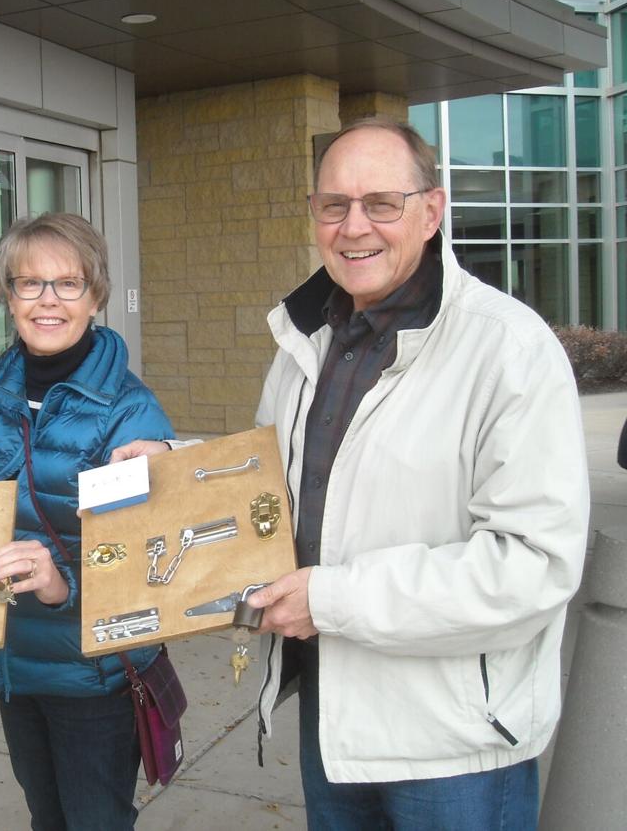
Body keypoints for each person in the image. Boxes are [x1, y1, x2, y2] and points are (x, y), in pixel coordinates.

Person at [116, 117, 589, 828]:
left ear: (432, 211)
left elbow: (532, 568)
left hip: (452, 745)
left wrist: (332, 601)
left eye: (381, 203)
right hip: (333, 717)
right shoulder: (308, 338)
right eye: (333, 204)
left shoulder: (510, 351)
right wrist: (180, 473)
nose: (353, 225)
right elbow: (275, 484)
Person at [0, 212, 174, 830]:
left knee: (94, 822)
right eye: (29, 284)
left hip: (94, 674)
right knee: (46, 819)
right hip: (10, 659)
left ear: (96, 295)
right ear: (8, 295)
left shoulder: (129, 412)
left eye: (68, 284)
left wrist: (61, 585)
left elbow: (146, 563)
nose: (48, 301)